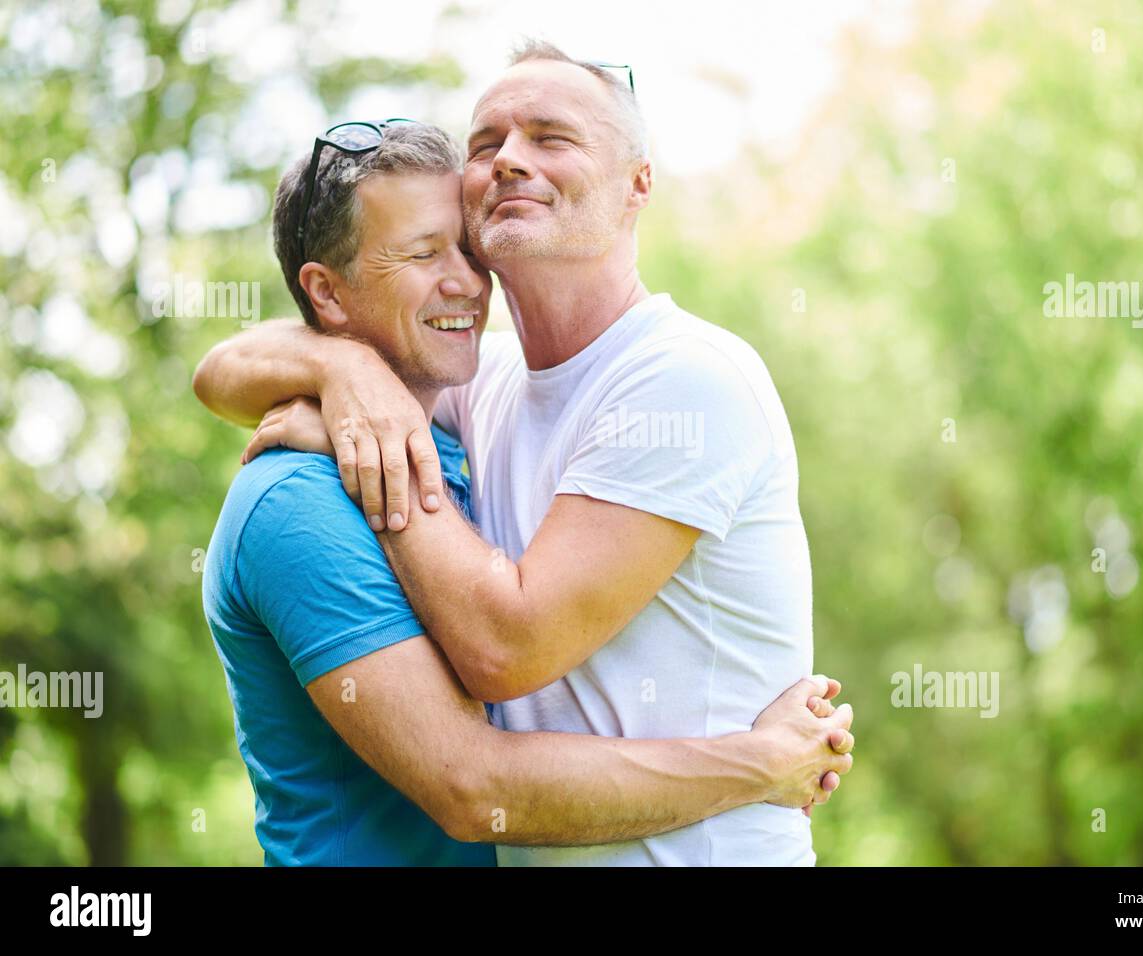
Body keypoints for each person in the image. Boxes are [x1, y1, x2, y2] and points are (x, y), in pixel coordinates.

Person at [195, 43, 841, 866]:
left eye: (552, 137)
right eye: (486, 142)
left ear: (639, 181)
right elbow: (218, 372)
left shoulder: (684, 380)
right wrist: (339, 367)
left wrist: (360, 418)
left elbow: (506, 648)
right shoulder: (477, 383)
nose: (509, 161)